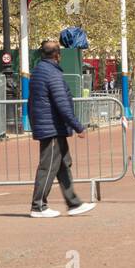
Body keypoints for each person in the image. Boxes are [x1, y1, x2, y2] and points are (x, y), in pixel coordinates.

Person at [27, 38, 94, 218]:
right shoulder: (52, 74)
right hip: (52, 128)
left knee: (63, 164)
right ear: (57, 55)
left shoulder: (39, 71)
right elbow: (62, 103)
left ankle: (73, 203)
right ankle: (38, 206)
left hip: (47, 125)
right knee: (48, 166)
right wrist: (78, 126)